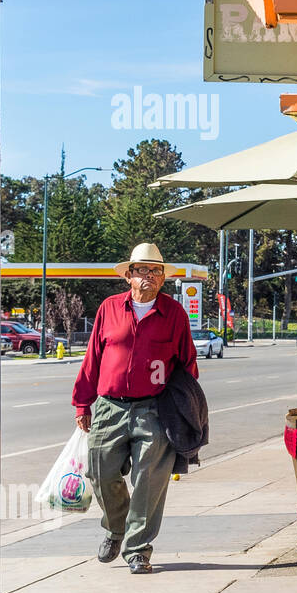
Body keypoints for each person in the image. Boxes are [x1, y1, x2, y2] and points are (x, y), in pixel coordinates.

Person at [71, 243, 200, 573]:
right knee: (100, 473)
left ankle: (138, 549)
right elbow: (93, 359)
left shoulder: (174, 314)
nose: (150, 277)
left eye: (156, 271)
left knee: (150, 479)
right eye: (142, 270)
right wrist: (82, 403)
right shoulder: (109, 308)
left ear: (162, 278)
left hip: (153, 409)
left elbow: (187, 365)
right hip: (108, 408)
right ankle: (117, 528)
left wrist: (184, 406)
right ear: (129, 275)